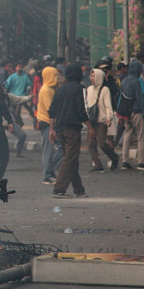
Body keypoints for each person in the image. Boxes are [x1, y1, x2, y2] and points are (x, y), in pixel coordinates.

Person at [48, 64, 90, 198]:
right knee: (69, 159)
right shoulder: (79, 89)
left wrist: (51, 130)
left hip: (60, 129)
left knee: (72, 159)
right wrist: (90, 126)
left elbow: (52, 110)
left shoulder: (60, 89)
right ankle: (59, 189)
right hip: (72, 129)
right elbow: (81, 110)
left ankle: (79, 189)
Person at [86, 67, 118, 172]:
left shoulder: (105, 90)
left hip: (102, 120)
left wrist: (109, 117)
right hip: (92, 120)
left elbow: (108, 105)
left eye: (94, 75)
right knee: (91, 144)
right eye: (91, 75)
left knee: (101, 143)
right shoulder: (89, 89)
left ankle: (114, 157)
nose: (92, 78)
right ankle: (97, 164)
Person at [118, 59, 144, 170]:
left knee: (127, 135)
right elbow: (139, 98)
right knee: (141, 137)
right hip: (136, 111)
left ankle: (125, 161)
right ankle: (141, 162)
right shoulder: (136, 81)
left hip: (126, 112)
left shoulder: (124, 80)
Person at [36, 65, 63, 185]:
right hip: (47, 122)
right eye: (55, 75)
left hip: (51, 122)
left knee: (58, 147)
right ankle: (47, 174)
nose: (57, 77)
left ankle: (51, 171)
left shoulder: (53, 89)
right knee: (49, 149)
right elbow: (50, 110)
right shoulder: (46, 90)